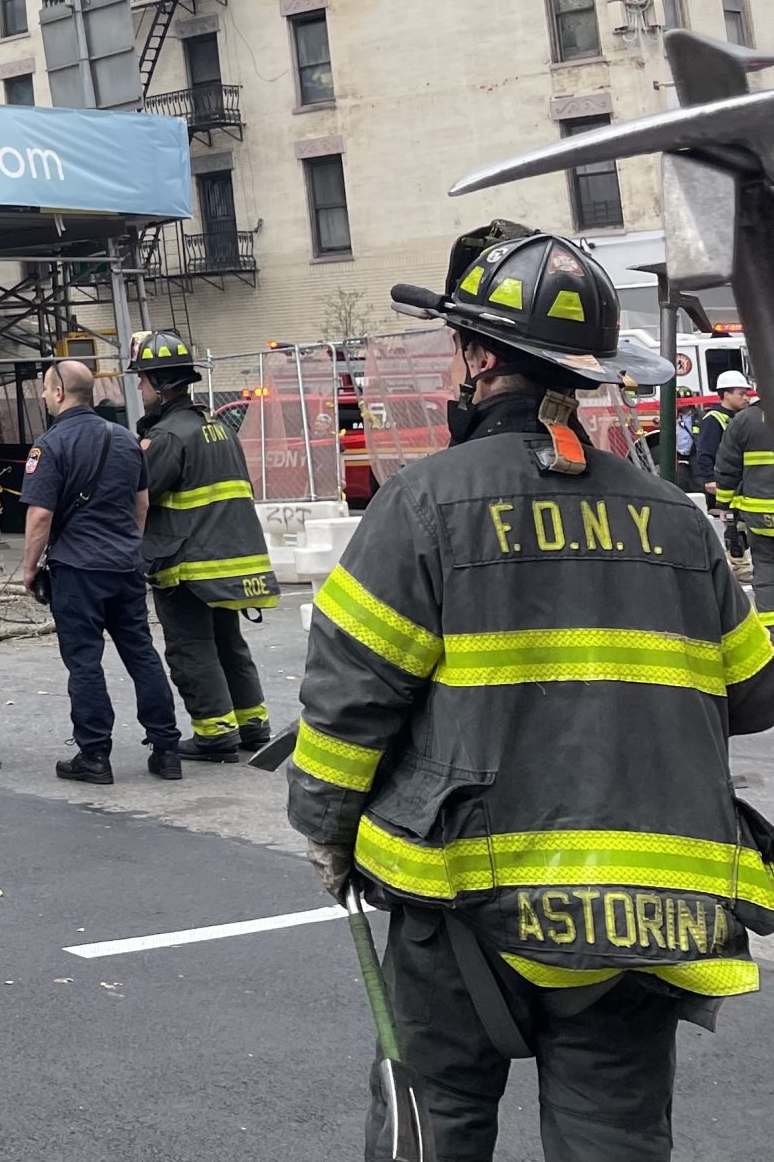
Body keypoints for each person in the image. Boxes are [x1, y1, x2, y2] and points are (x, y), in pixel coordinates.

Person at [292, 224, 774, 1160]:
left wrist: (324, 826)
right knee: (614, 1141)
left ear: (475, 355)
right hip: (644, 915)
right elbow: (754, 695)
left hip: (463, 905)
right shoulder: (675, 520)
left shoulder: (423, 504)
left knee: (436, 1125)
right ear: (586, 374)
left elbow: (350, 700)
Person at [18, 358, 181, 785]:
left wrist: (29, 568)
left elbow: (39, 518)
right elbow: (141, 505)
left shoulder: (50, 445)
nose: (42, 396)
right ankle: (166, 750)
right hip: (125, 566)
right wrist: (128, 545)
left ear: (57, 393)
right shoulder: (126, 439)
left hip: (77, 570)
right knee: (141, 654)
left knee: (85, 662)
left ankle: (95, 756)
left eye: (44, 389)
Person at [130, 331, 278, 763]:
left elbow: (140, 494)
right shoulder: (218, 429)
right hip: (230, 561)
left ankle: (214, 732)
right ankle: (251, 724)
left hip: (188, 565)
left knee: (190, 648)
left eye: (142, 382)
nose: (140, 390)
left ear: (160, 385)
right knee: (228, 643)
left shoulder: (168, 437)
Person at [713, 380, 774, 617]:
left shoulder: (743, 421)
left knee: (767, 570)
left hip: (760, 517)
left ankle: (771, 628)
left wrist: (726, 509)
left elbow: (727, 471)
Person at [689, 369, 746, 498]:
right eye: (741, 394)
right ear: (726, 394)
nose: (746, 397)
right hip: (720, 479)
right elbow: (705, 451)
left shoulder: (741, 416)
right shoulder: (712, 419)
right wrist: (709, 479)